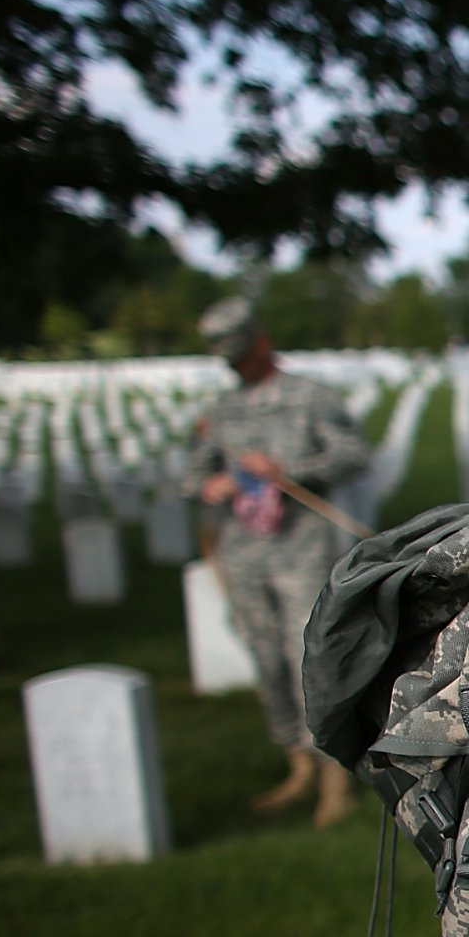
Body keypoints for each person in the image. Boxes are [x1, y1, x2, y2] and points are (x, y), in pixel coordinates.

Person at [188, 298, 372, 825]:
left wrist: (287, 468)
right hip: (242, 551)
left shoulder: (310, 398)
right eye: (229, 360)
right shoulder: (220, 411)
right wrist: (213, 483)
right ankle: (297, 766)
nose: (236, 366)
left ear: (261, 343)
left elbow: (354, 454)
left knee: (307, 660)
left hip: (302, 546)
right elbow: (189, 475)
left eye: (242, 355)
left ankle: (335, 777)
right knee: (266, 657)